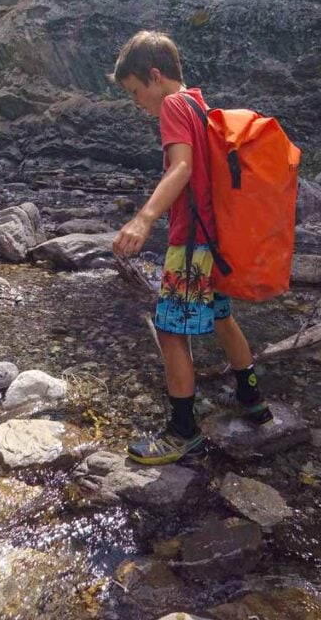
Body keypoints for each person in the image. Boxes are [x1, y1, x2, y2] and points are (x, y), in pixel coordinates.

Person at [110, 30, 272, 465]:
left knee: (170, 330)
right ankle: (252, 398)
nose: (136, 102)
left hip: (191, 242)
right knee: (220, 316)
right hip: (215, 240)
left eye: (134, 91)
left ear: (155, 76)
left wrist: (144, 219)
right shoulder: (199, 104)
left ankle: (183, 431)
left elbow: (181, 168)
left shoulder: (172, 106)